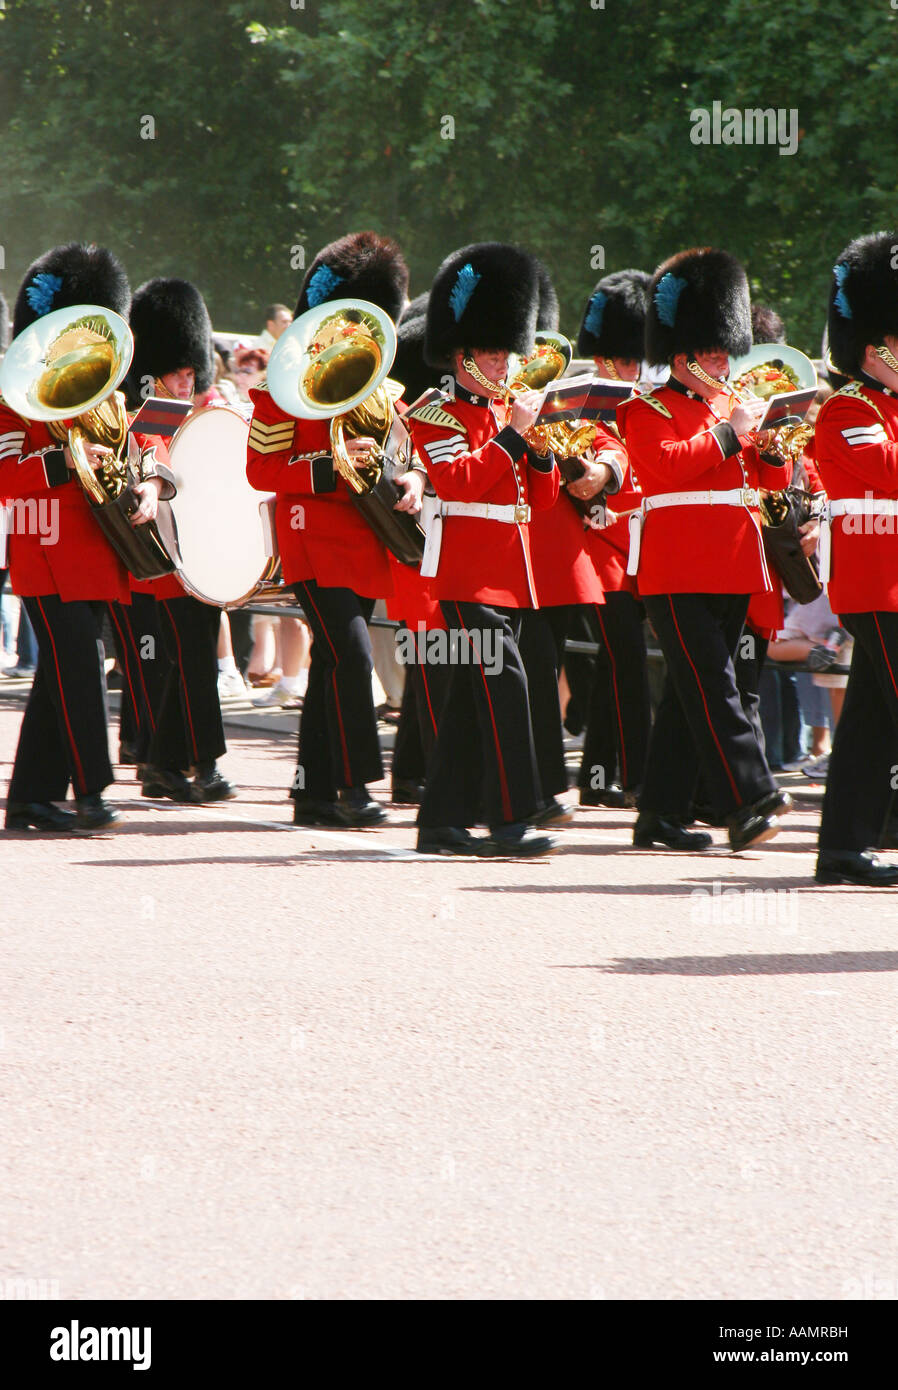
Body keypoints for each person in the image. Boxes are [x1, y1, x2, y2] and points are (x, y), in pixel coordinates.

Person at [617, 246, 792, 853]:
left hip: (735, 562)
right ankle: (750, 798)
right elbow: (665, 470)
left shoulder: (729, 408)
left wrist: (771, 453)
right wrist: (730, 432)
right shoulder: (642, 409)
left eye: (725, 351)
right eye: (713, 352)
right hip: (677, 570)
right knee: (715, 684)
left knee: (689, 693)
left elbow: (763, 487)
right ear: (682, 354)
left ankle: (660, 816)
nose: (723, 362)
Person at [247, 230, 422, 827]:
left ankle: (313, 791)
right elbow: (260, 468)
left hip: (365, 537)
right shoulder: (282, 389)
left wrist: (414, 478)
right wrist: (331, 469)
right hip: (311, 536)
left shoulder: (381, 389)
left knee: (331, 661)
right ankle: (354, 786)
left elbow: (408, 450)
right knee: (350, 655)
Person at [0, 242, 173, 831]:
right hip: (45, 549)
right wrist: (66, 463)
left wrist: (151, 485)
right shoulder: (14, 400)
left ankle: (30, 795)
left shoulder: (106, 394)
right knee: (80, 664)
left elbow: (148, 444)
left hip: (101, 548)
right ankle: (92, 791)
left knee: (60, 674)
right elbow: (5, 475)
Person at [407, 242, 560, 857]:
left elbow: (541, 503)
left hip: (511, 572)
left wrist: (544, 451)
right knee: (505, 689)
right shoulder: (435, 415)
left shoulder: (506, 412)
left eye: (505, 351)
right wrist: (515, 435)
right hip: (468, 577)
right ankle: (509, 818)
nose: (503, 364)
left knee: (474, 704)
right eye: (492, 352)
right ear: (461, 355)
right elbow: (460, 482)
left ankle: (440, 821)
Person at [122, 276, 236, 803]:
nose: (186, 381)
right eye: (176, 373)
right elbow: (154, 458)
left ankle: (161, 764)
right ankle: (204, 764)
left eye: (191, 372)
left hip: (202, 555)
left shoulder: (204, 412)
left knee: (187, 662)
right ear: (156, 375)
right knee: (192, 662)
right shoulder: (149, 416)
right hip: (169, 561)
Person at [812, 232, 898, 885]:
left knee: (868, 721)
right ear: (876, 350)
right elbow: (885, 471)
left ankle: (843, 846)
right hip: (877, 582)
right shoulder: (848, 407)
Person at [573, 269, 653, 809]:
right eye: (625, 358)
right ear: (604, 358)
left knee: (613, 665)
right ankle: (637, 775)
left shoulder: (643, 405)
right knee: (626, 662)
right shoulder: (583, 405)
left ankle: (598, 776)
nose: (633, 366)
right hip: (599, 552)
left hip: (639, 551)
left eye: (635, 357)